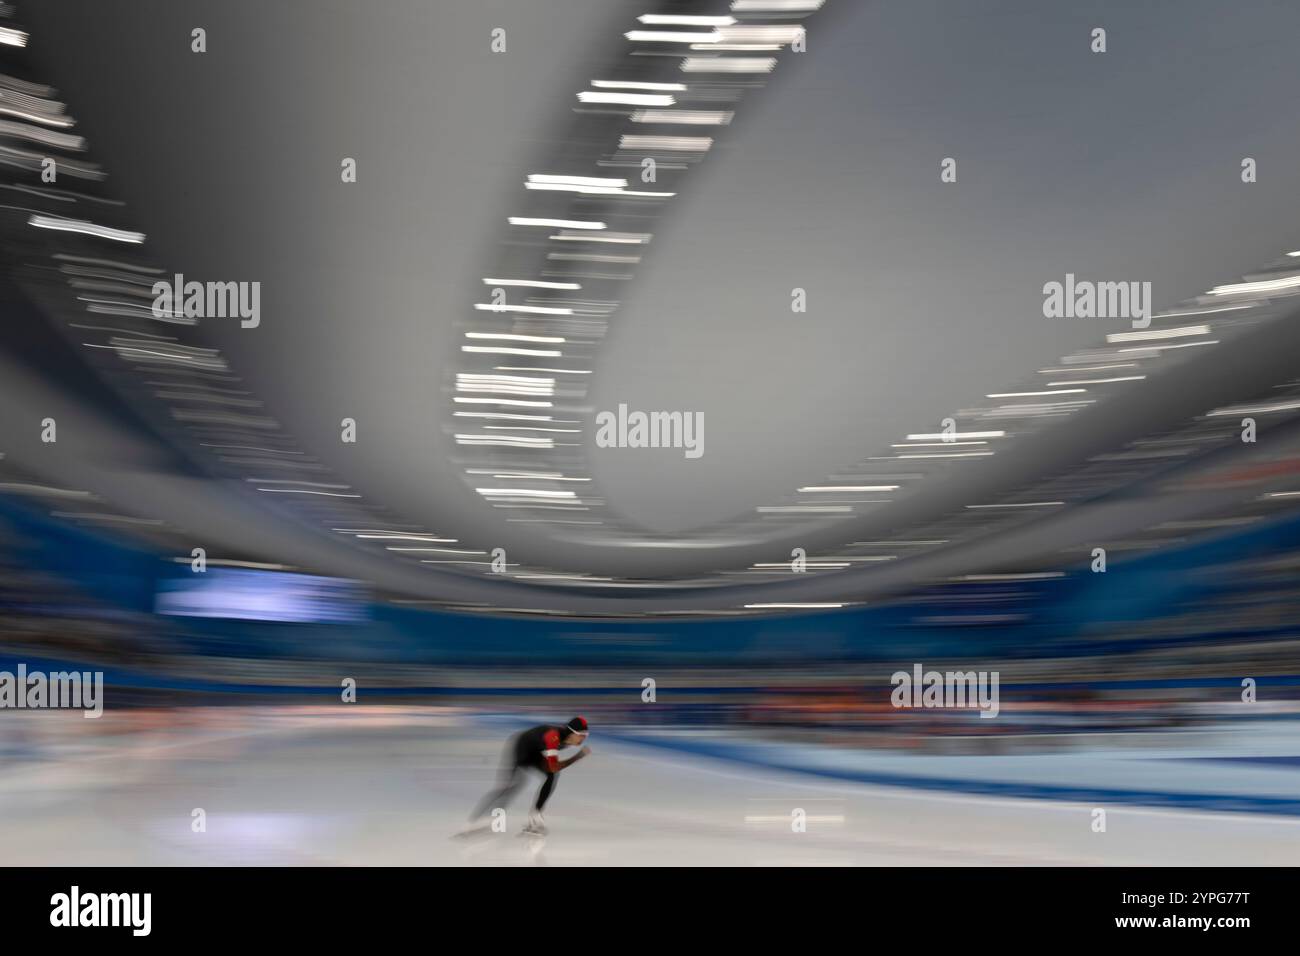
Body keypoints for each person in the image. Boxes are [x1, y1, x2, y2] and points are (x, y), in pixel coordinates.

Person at [466, 716, 591, 835]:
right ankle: (476, 821)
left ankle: (535, 816)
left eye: (586, 735)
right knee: (511, 786)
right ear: (573, 733)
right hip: (521, 747)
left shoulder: (568, 739)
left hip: (535, 751)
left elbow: (552, 766)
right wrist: (577, 757)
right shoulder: (553, 737)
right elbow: (554, 766)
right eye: (582, 735)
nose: (583, 739)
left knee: (551, 775)